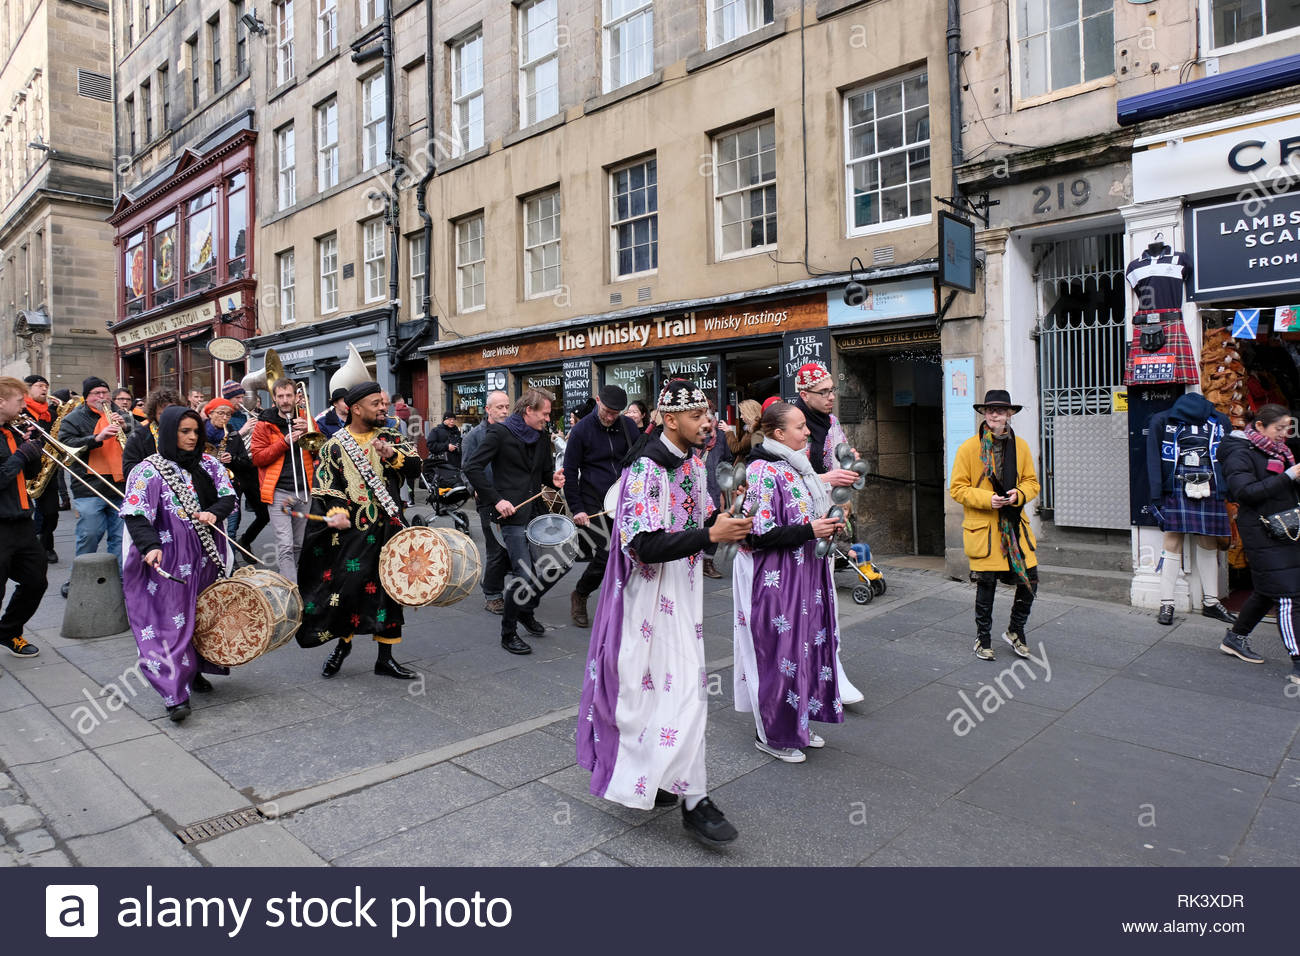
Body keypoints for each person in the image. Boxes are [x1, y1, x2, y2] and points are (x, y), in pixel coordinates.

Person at [577, 378, 752, 845]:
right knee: (660, 695)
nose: (707, 422)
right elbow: (644, 545)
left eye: (707, 413)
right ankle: (685, 794)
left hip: (685, 591)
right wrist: (711, 537)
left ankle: (674, 786)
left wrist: (727, 520)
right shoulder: (646, 470)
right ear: (669, 420)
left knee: (674, 693)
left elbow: (704, 517)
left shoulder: (694, 465)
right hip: (648, 598)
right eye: (696, 415)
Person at [733, 401, 845, 761]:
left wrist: (826, 522)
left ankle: (796, 721)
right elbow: (756, 534)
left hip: (803, 577)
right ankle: (773, 733)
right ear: (778, 434)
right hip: (775, 579)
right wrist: (811, 528)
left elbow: (804, 516)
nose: (808, 431)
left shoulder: (795, 466)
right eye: (800, 427)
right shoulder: (764, 470)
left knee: (803, 651)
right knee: (779, 654)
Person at [297, 383, 423, 679]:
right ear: (356, 409)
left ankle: (385, 659)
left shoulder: (391, 435)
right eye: (376, 403)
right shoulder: (333, 446)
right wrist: (336, 512)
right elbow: (328, 490)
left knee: (391, 591)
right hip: (353, 536)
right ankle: (342, 647)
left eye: (383, 403)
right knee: (347, 590)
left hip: (391, 529)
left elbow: (416, 469)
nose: (384, 407)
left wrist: (393, 455)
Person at [119, 407, 237, 721]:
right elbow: (135, 513)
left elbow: (229, 497)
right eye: (184, 431)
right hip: (170, 558)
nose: (192, 437)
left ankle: (195, 671)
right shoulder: (147, 470)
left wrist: (215, 512)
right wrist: (150, 547)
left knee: (202, 616)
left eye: (195, 431)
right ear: (171, 432)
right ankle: (174, 694)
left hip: (207, 553)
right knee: (171, 624)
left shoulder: (210, 463)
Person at [462, 387, 567, 655]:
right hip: (509, 515)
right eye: (544, 413)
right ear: (529, 410)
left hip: (536, 511)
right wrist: (496, 499)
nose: (547, 418)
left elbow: (542, 474)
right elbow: (471, 467)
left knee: (558, 564)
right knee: (524, 573)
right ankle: (508, 634)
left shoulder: (542, 436)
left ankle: (525, 609)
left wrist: (552, 480)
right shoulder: (499, 433)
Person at [949, 389, 1041, 661]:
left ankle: (1015, 631)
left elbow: (1031, 483)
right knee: (986, 586)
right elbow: (957, 489)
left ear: (1009, 414)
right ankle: (983, 639)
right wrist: (988, 499)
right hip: (985, 529)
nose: (995, 415)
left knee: (1030, 581)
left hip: (1014, 526)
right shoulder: (969, 448)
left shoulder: (1021, 446)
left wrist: (1018, 495)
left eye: (1001, 410)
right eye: (990, 410)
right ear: (984, 414)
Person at [1216, 404, 1300, 683]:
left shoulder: (1279, 451)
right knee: (1288, 595)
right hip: (1261, 530)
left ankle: (1234, 638)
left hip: (1284, 527)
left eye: (1287, 428)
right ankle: (1298, 661)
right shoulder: (1239, 452)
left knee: (1267, 590)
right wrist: (1289, 476)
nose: (1284, 434)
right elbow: (1245, 492)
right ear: (1261, 426)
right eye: (1279, 428)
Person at [1146, 391, 1236, 625]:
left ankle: (1210, 602)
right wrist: (1156, 494)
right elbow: (1153, 459)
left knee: (1209, 539)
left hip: (1211, 483)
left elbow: (1228, 456)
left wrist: (1229, 489)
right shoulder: (1162, 420)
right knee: (1172, 539)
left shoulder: (1220, 422)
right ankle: (1167, 603)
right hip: (1176, 484)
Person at [563, 385, 640, 627]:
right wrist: (577, 508)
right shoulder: (581, 430)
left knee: (632, 551)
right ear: (597, 401)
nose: (610, 417)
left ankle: (625, 602)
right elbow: (570, 471)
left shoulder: (628, 427)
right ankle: (581, 593)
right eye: (606, 411)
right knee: (606, 553)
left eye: (615, 413)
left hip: (624, 499)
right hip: (592, 501)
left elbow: (641, 459)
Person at [58, 377, 127, 596]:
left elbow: (138, 443)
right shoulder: (73, 419)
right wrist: (96, 438)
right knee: (90, 534)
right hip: (90, 486)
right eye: (96, 393)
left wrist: (127, 428)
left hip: (120, 484)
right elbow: (65, 446)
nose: (102, 397)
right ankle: (79, 578)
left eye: (105, 392)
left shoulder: (122, 414)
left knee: (119, 538)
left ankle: (118, 581)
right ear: (86, 396)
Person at [250, 377, 314, 580]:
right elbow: (258, 458)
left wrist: (311, 430)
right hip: (278, 491)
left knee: (299, 544)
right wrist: (284, 443)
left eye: (289, 395)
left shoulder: (305, 419)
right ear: (274, 399)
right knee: (285, 545)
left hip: (304, 489)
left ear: (296, 397)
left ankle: (287, 579)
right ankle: (291, 590)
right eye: (281, 396)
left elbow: (320, 448)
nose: (285, 400)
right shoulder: (264, 425)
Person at [0, 376, 45, 658]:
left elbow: (27, 474)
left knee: (36, 581)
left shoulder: (12, 432)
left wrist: (33, 452)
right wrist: (20, 455)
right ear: (1, 402)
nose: (22, 407)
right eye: (19, 401)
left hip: (21, 521)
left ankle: (8, 631)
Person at [461, 390, 511, 615]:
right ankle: (492, 594)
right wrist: (476, 490)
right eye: (499, 407)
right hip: (489, 501)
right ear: (488, 409)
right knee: (495, 548)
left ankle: (501, 583)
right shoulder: (474, 436)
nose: (504, 411)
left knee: (512, 546)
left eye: (507, 406)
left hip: (511, 498)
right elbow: (466, 468)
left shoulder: (511, 431)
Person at [203, 398, 251, 545]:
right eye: (220, 413)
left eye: (228, 415)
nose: (224, 418)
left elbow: (245, 462)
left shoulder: (233, 435)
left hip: (229, 488)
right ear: (210, 414)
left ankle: (231, 564)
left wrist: (233, 459)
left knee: (230, 531)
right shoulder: (199, 434)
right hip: (205, 488)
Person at [23, 375, 60, 563]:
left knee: (51, 512)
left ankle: (45, 543)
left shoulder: (52, 414)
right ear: (28, 388)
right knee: (24, 511)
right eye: (39, 386)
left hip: (47, 466)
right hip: (24, 466)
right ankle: (35, 546)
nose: (44, 389)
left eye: (46, 386)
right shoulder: (21, 410)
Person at [122, 387, 184, 490]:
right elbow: (129, 469)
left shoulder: (187, 431)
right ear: (153, 414)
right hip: (151, 489)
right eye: (162, 414)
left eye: (172, 412)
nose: (168, 417)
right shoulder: (139, 436)